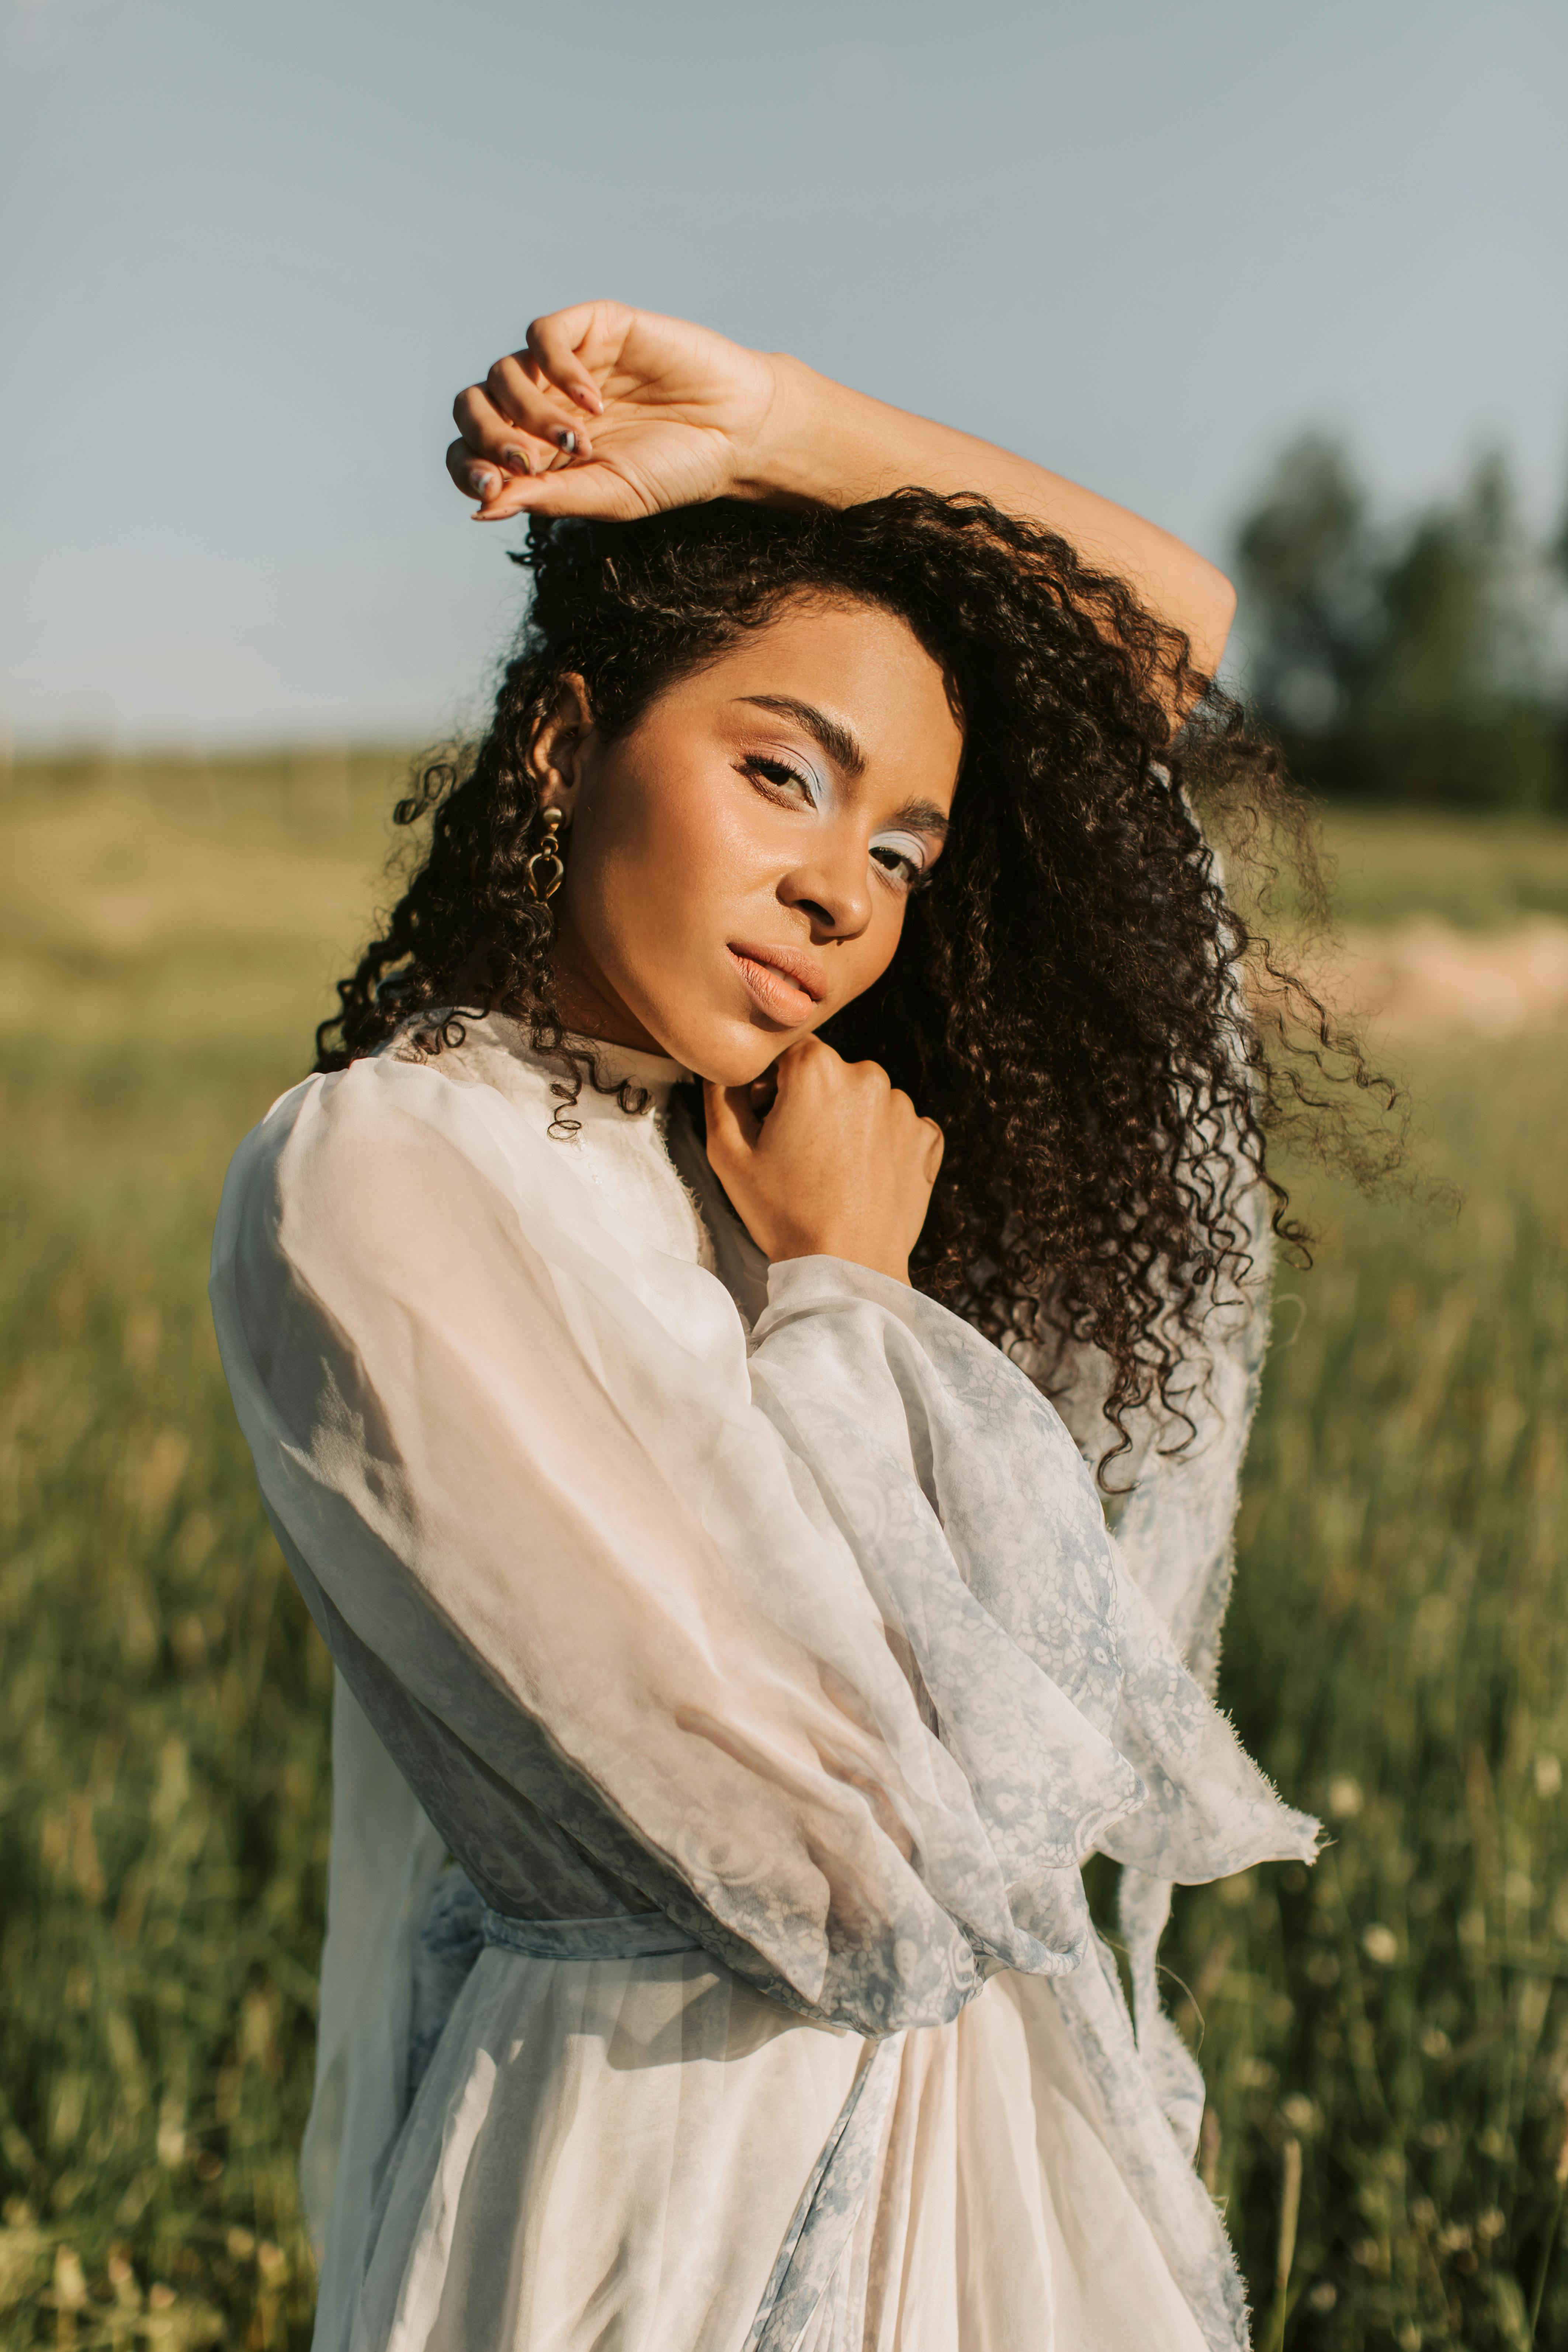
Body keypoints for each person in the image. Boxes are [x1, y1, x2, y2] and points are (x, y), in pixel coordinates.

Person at [211, 302, 1341, 2352]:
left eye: (900, 845)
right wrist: (846, 1306)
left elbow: (1157, 643)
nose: (842, 892)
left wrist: (780, 427)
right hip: (667, 2180)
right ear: (565, 748)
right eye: (777, 776)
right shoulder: (383, 1178)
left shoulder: (742, 1156)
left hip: (960, 2158)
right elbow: (874, 1889)